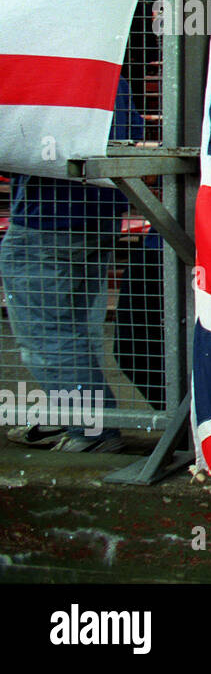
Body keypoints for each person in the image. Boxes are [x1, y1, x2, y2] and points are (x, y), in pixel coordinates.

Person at [2, 81, 142, 452]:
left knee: (48, 336)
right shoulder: (105, 68)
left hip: (45, 219)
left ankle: (90, 431)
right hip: (99, 214)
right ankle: (71, 416)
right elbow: (131, 130)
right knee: (77, 330)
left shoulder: (43, 65)